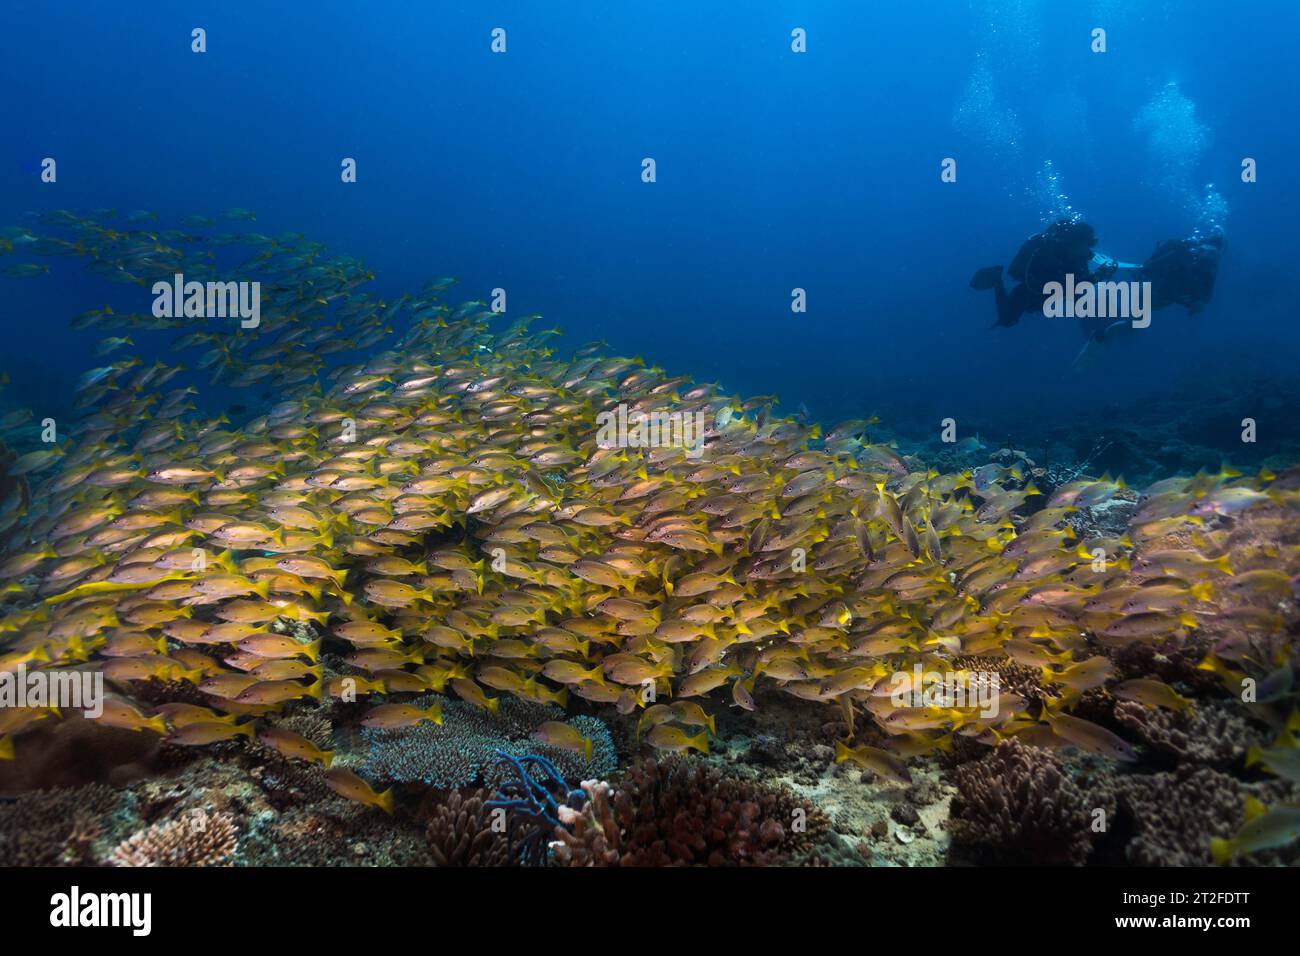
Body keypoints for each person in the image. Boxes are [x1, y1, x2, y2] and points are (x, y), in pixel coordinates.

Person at [971, 221, 1224, 364]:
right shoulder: (1047, 256)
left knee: (1095, 304)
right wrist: (1093, 279)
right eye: (1085, 246)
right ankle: (995, 279)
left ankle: (1099, 335)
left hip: (1056, 295)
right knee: (1006, 321)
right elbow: (1047, 287)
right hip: (1031, 292)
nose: (1089, 250)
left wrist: (1098, 277)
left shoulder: (1077, 256)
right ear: (1071, 244)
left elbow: (1078, 284)